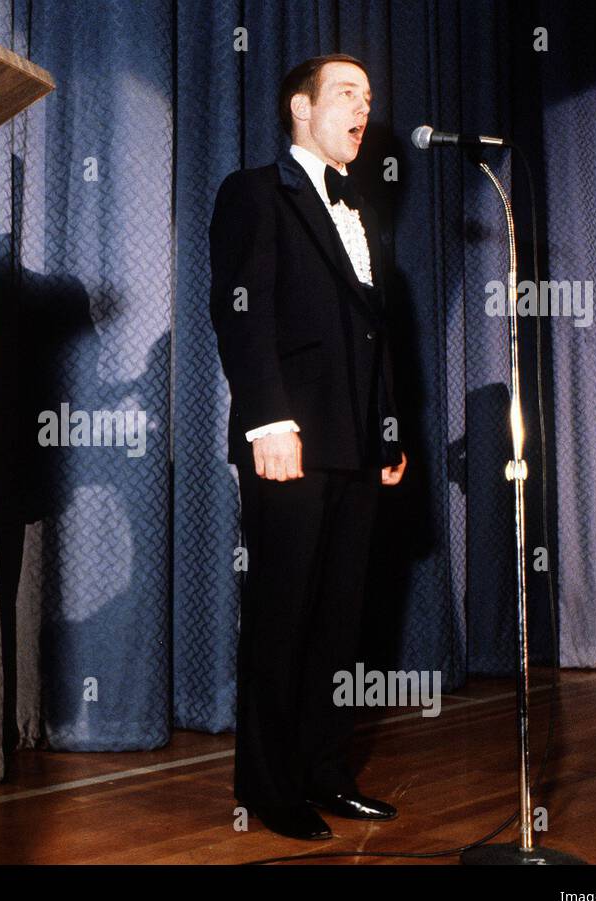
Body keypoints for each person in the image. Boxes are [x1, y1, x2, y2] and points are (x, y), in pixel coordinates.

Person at [208, 53, 407, 841]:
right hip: (289, 439)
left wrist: (388, 430)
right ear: (301, 107)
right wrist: (268, 421)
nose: (364, 109)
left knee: (339, 620)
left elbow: (377, 335)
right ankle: (267, 784)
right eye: (348, 94)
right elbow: (238, 313)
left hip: (357, 446)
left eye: (369, 97)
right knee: (282, 617)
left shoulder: (361, 209)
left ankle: (327, 771)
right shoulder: (254, 192)